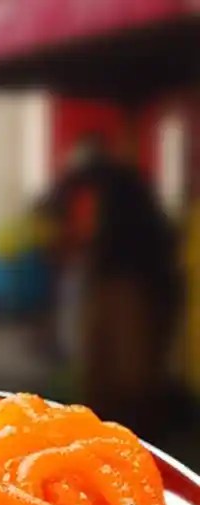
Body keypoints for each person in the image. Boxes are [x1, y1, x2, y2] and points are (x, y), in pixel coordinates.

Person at [47, 131, 182, 428]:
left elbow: (82, 226)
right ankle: (117, 416)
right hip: (121, 277)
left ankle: (122, 419)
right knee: (115, 357)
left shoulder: (106, 189)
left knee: (120, 359)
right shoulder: (122, 186)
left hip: (125, 279)